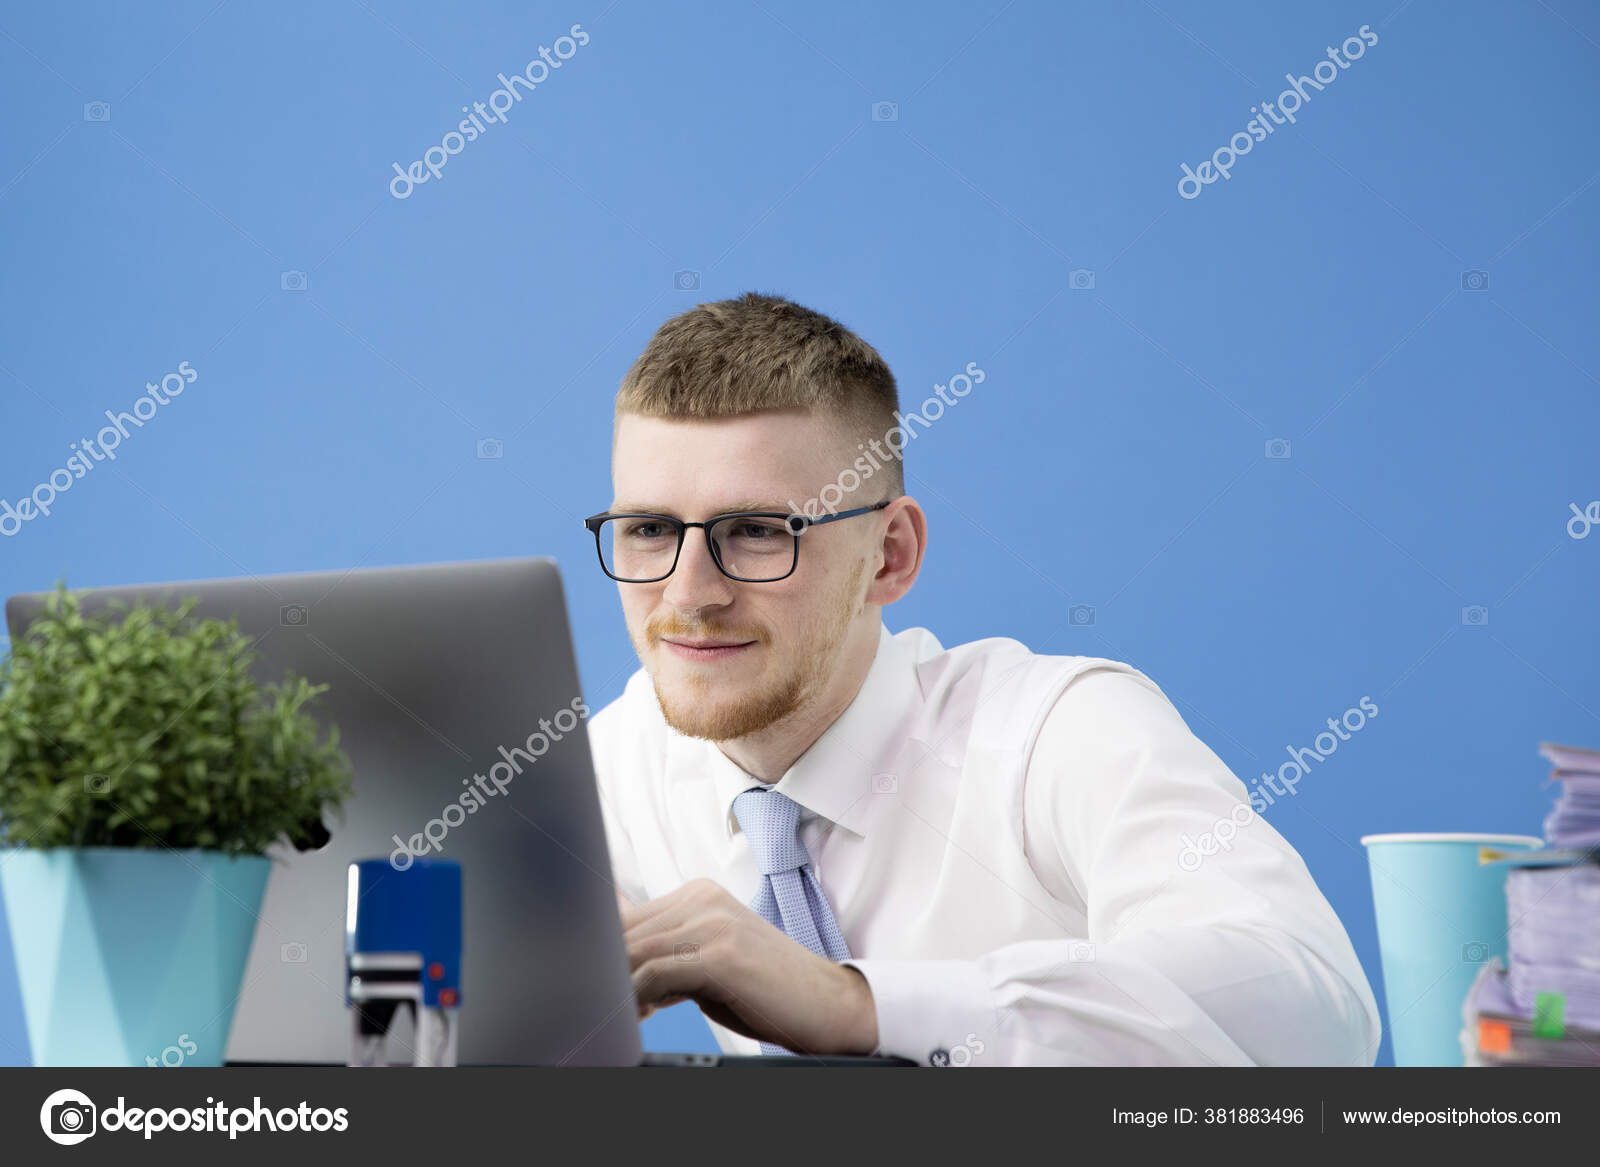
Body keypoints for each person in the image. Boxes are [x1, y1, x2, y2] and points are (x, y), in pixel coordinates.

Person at [584, 291, 1380, 1066]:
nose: (688, 593)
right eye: (649, 529)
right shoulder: (621, 760)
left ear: (888, 555)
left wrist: (853, 1004)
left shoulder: (1057, 732)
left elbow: (1316, 1009)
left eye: (757, 532)